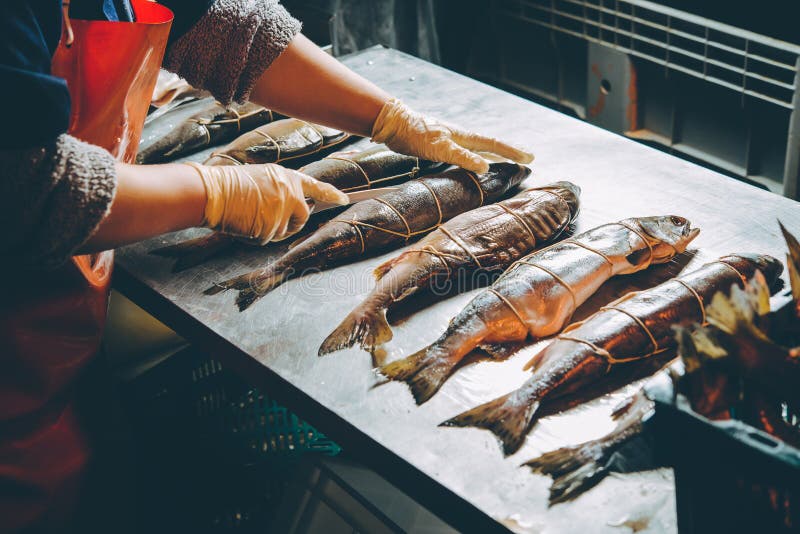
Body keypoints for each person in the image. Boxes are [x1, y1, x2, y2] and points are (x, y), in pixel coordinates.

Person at [0, 1, 533, 531]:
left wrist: (387, 117)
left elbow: (217, 27)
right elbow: (25, 186)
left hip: (56, 336)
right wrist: (209, 191)